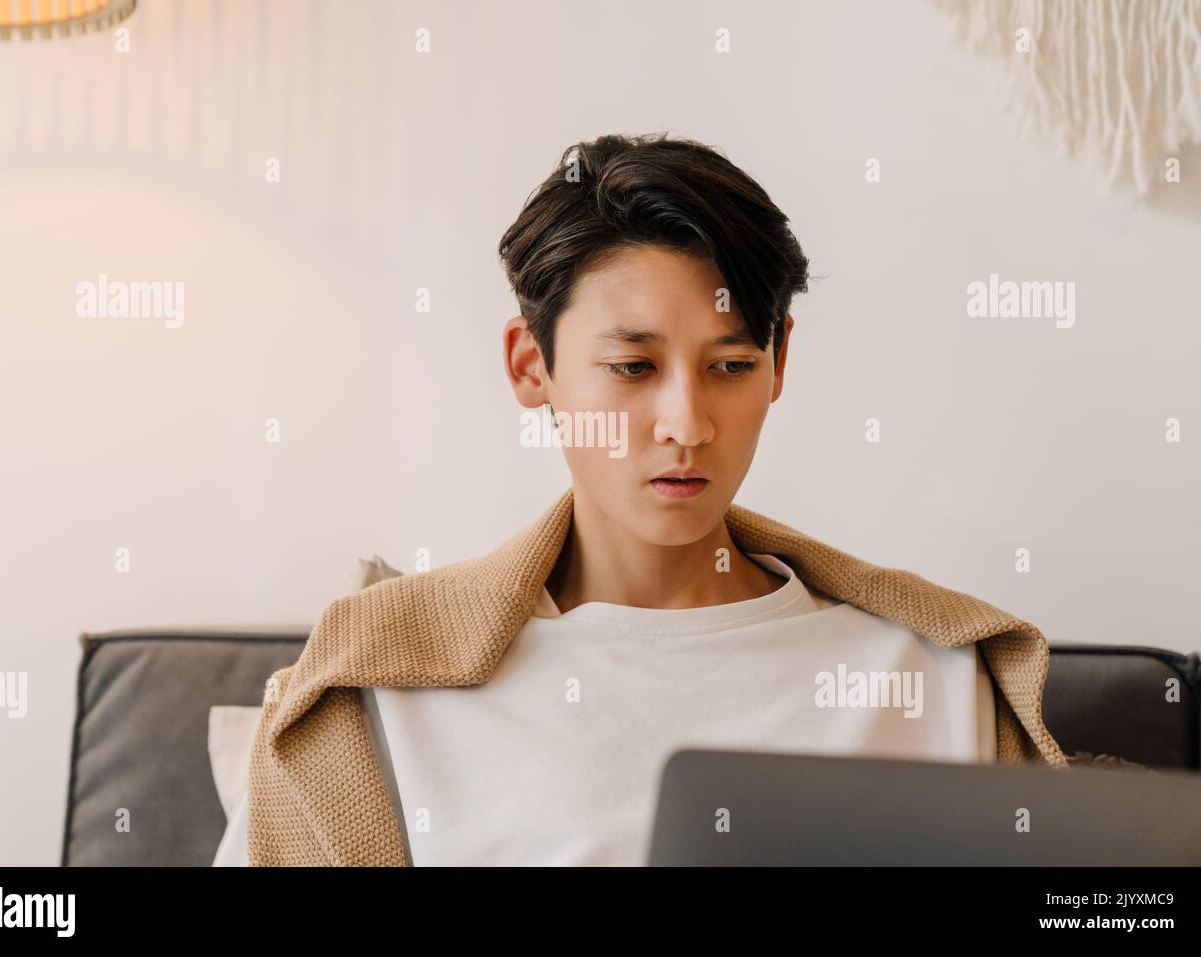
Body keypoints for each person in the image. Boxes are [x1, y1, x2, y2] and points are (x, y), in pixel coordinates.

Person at [217, 132, 1067, 867]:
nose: (686, 424)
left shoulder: (937, 674)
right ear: (530, 364)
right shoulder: (376, 696)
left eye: (731, 366)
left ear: (780, 362)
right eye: (633, 368)